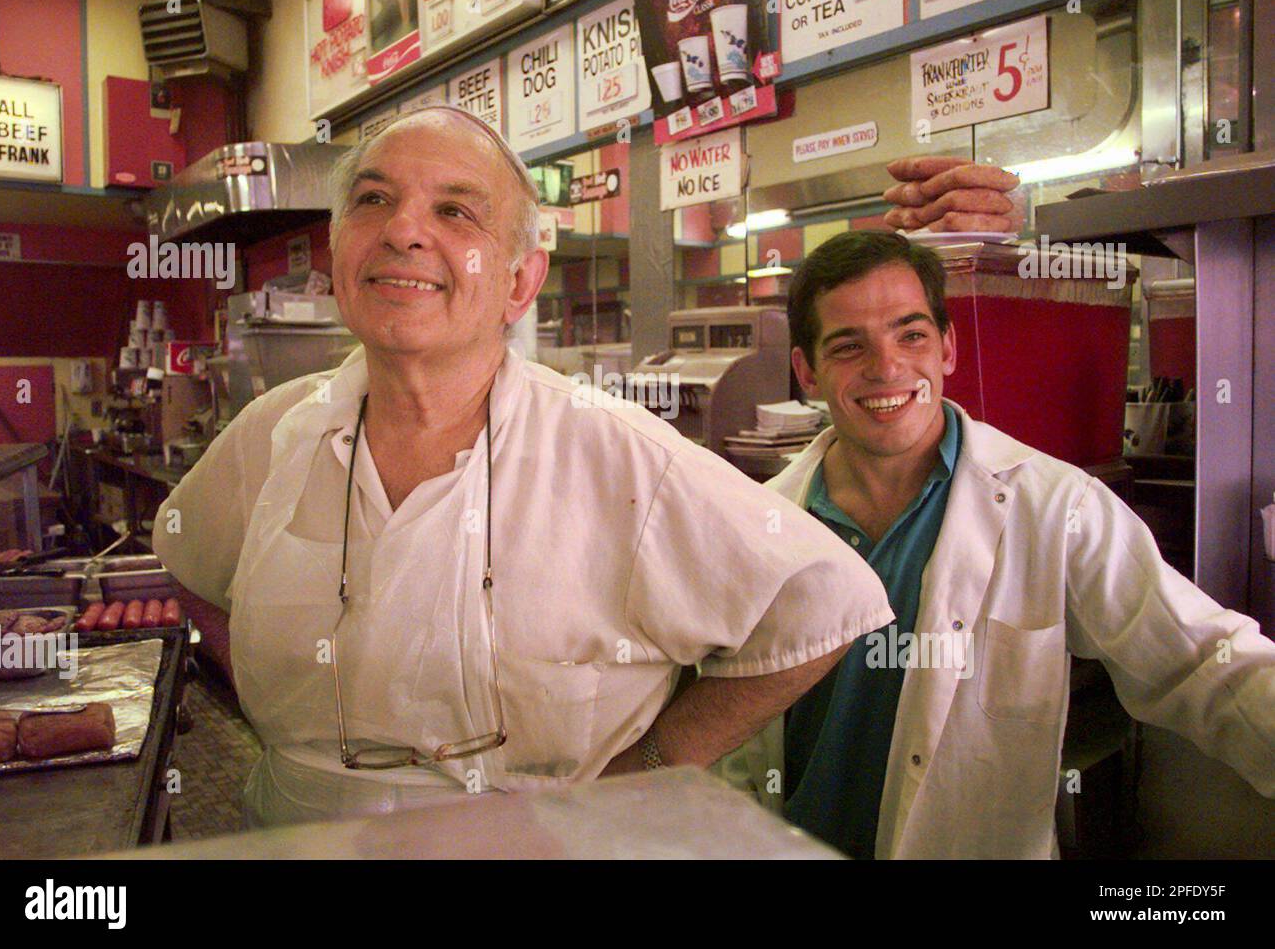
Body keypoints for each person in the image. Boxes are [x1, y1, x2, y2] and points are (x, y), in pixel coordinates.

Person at [153, 106, 899, 827]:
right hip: (295, 839)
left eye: (455, 212)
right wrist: (271, 706)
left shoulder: (614, 452)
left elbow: (824, 600)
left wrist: (651, 763)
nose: (403, 230)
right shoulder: (271, 432)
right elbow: (187, 555)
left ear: (519, 283)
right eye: (373, 199)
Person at [722, 229, 1275, 858]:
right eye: (849, 346)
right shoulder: (759, 524)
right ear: (807, 372)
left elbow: (1202, 658)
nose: (887, 367)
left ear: (948, 348)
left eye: (911, 335)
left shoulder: (1054, 507)